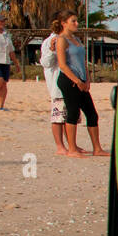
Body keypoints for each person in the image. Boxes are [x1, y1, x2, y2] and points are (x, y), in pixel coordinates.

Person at [53, 13, 109, 156]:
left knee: (92, 114)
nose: (77, 23)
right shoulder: (61, 40)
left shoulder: (76, 39)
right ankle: (71, 149)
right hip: (69, 81)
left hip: (82, 81)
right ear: (64, 23)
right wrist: (77, 81)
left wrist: (87, 79)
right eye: (73, 21)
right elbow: (63, 65)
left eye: (77, 21)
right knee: (72, 113)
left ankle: (97, 149)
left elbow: (83, 62)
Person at [41, 15, 71, 154]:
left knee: (70, 115)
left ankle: (71, 144)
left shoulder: (69, 40)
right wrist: (53, 50)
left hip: (70, 82)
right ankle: (60, 146)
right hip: (57, 84)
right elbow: (45, 63)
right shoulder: (49, 41)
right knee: (58, 117)